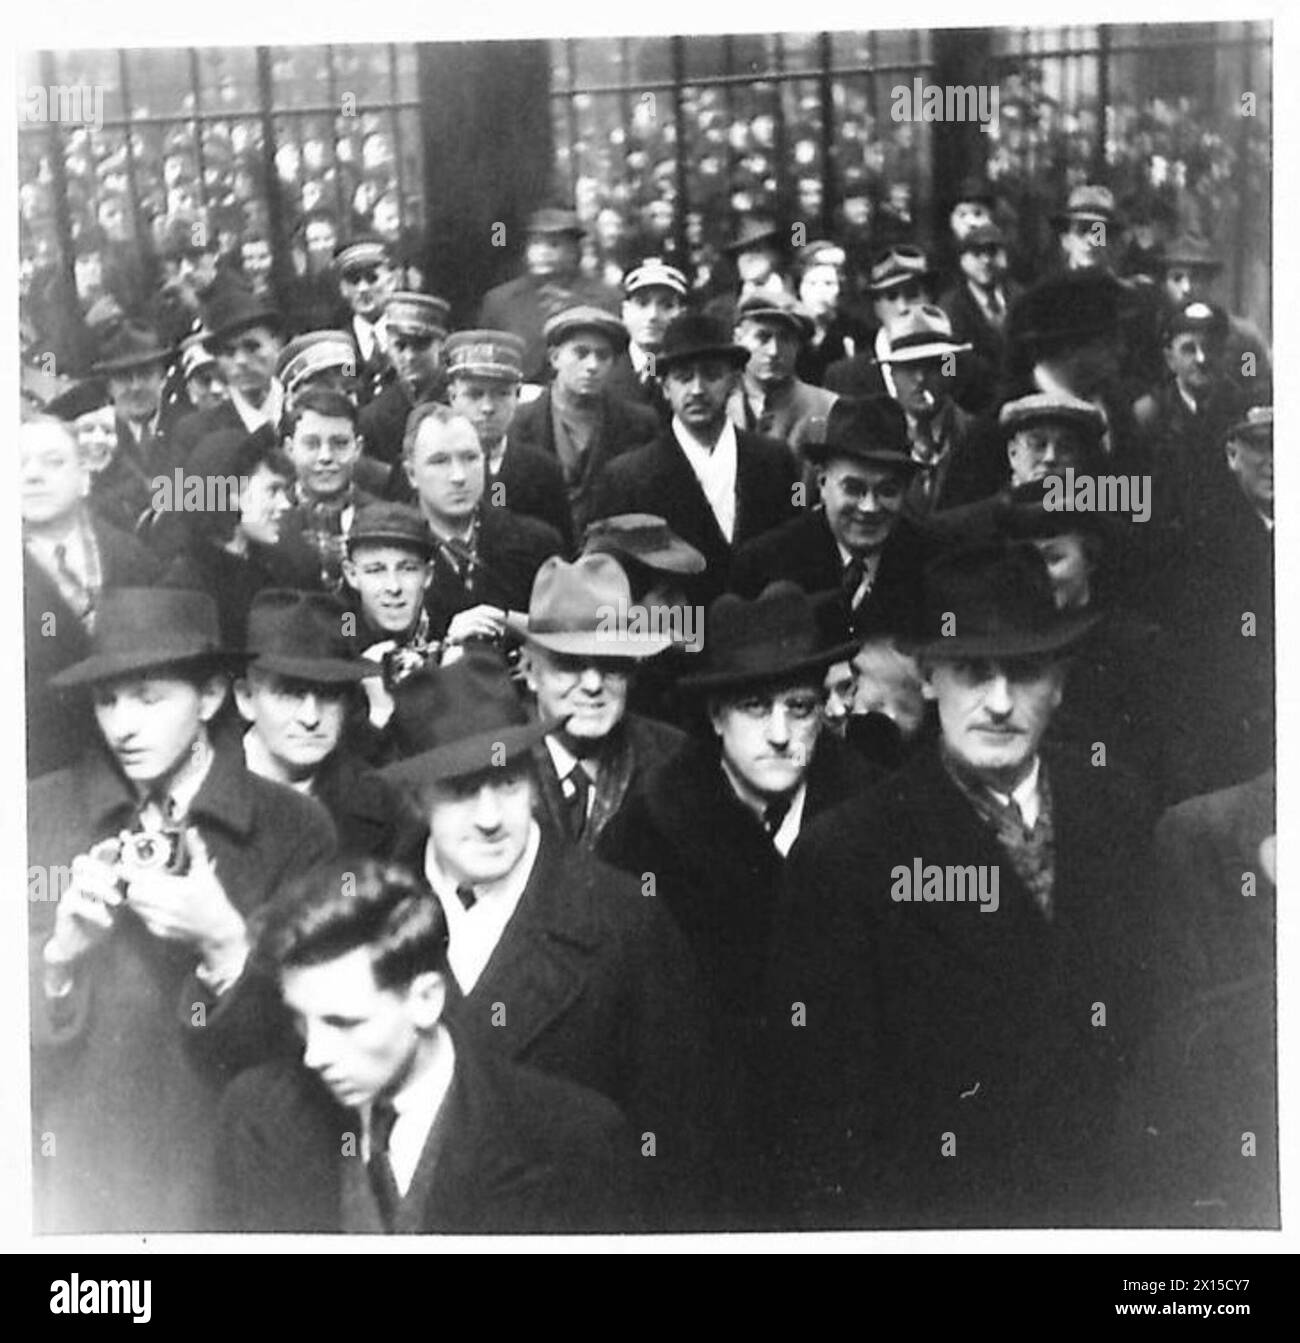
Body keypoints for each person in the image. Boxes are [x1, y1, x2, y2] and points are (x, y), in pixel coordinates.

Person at [767, 541, 1157, 1228]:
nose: (1000, 703)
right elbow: (825, 1125)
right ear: (928, 678)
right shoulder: (850, 854)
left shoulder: (1118, 810)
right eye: (973, 672)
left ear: (1061, 681)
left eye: (1025, 671)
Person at [28, 587, 337, 1232]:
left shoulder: (294, 829)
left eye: (149, 697)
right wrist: (57, 960)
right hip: (84, 1188)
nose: (122, 726)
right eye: (107, 700)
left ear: (213, 696)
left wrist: (226, 944)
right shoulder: (36, 815)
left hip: (227, 1187)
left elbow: (321, 1050)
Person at [381, 650, 719, 1222]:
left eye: (508, 781)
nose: (491, 817)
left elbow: (679, 1142)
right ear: (416, 799)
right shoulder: (371, 920)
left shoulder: (623, 920)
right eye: (462, 790)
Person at [602, 582, 878, 1213]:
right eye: (756, 707)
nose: (781, 734)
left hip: (845, 1138)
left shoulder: (873, 810)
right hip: (703, 1141)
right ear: (715, 716)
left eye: (801, 707)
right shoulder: (653, 824)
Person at [215, 858, 648, 1232]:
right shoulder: (255, 1115)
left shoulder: (575, 1139)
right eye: (301, 1021)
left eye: (343, 1022)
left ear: (426, 1000)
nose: (314, 1055)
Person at [589, 311, 798, 609]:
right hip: (678, 644)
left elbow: (794, 545)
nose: (697, 390)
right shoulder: (626, 477)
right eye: (684, 378)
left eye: (711, 375)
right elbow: (611, 580)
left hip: (763, 637)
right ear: (665, 388)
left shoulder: (775, 459)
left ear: (734, 383)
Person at [22, 415, 161, 778]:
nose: (32, 475)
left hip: (134, 764)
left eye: (53, 462)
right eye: (17, 463)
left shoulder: (134, 557)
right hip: (41, 774)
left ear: (84, 477)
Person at [517, 554, 685, 852]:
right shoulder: (496, 761)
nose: (593, 685)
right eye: (570, 664)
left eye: (611, 664)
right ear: (530, 671)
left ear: (631, 672)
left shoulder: (674, 761)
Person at [234, 589, 414, 860]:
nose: (310, 717)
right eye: (289, 693)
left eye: (329, 694)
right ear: (246, 698)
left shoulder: (386, 807)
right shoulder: (192, 787)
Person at [729, 396, 922, 639]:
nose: (870, 507)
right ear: (822, 482)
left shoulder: (929, 561)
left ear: (906, 490)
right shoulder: (765, 565)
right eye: (853, 489)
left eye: (888, 491)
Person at [400, 401, 564, 646]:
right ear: (412, 474)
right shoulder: (391, 551)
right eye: (440, 461)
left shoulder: (538, 544)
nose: (459, 476)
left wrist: (509, 625)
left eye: (470, 458)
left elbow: (565, 636)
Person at [509, 306, 659, 538]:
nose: (592, 366)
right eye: (581, 353)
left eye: (603, 356)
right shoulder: (517, 424)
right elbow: (499, 498)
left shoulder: (641, 424)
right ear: (555, 358)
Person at [160, 428, 314, 648]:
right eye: (272, 490)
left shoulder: (286, 567)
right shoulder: (184, 589)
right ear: (229, 496)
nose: (285, 505)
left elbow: (346, 625)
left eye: (285, 491)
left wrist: (350, 628)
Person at [438, 330, 574, 547]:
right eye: (474, 394)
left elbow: (562, 553)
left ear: (517, 396)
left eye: (501, 394)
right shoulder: (430, 465)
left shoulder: (543, 470)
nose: (487, 408)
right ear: (452, 396)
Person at [477, 208, 622, 383]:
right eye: (536, 243)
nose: (543, 252)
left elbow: (621, 362)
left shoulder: (607, 299)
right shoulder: (500, 300)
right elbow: (485, 360)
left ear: (574, 251)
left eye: (554, 244)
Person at [341, 502, 441, 752]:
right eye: (375, 571)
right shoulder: (339, 643)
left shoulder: (448, 629)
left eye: (407, 569)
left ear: (428, 575)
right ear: (352, 575)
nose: (393, 587)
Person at [278, 387, 380, 590]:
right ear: (290, 450)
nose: (325, 456)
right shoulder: (273, 518)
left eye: (340, 443)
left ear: (357, 449)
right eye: (312, 444)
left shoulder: (382, 518)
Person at [171, 289, 286, 457]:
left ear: (277, 344)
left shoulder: (304, 412)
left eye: (252, 346)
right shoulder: (194, 433)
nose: (241, 361)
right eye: (229, 351)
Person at [88, 322, 175, 535]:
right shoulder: (92, 436)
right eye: (124, 377)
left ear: (162, 377)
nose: (136, 387)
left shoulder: (187, 425)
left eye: (145, 374)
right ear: (109, 386)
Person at [727, 290, 838, 452]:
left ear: (797, 346)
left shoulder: (825, 408)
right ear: (738, 339)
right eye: (762, 338)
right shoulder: (718, 403)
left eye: (785, 339)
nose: (773, 351)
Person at [358, 291, 450, 470]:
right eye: (400, 346)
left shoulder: (463, 401)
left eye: (420, 345)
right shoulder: (374, 417)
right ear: (389, 346)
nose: (409, 357)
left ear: (440, 345)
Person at [605, 257, 688, 414]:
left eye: (667, 305)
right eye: (642, 303)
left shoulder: (691, 373)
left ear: (682, 314)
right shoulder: (604, 369)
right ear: (625, 311)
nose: (653, 315)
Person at [332, 235, 398, 406]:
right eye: (354, 281)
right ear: (343, 289)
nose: (362, 288)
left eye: (372, 278)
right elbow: (346, 384)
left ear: (391, 281)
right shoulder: (340, 347)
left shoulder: (405, 337)